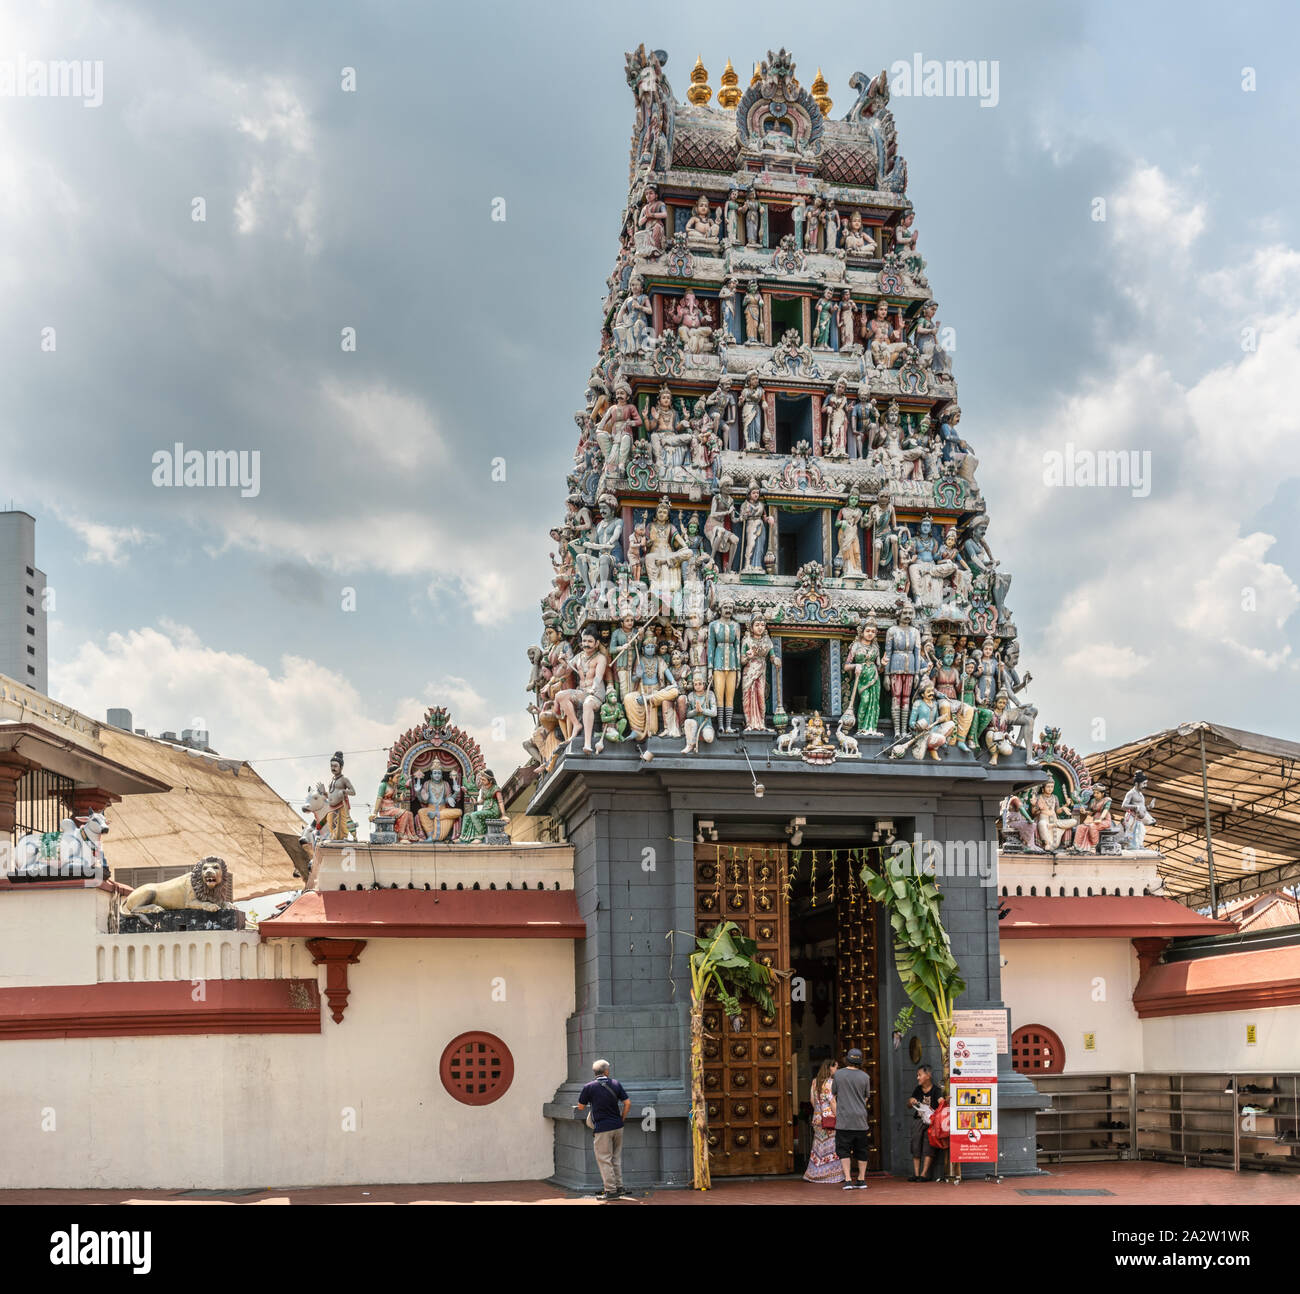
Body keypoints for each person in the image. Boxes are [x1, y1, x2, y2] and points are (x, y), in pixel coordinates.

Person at [576, 1058, 631, 1200]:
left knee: (604, 1159)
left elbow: (581, 1106)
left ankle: (611, 1191)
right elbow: (627, 1103)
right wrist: (622, 1118)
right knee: (616, 1158)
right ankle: (619, 1187)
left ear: (595, 1072)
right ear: (606, 1071)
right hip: (618, 1126)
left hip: (602, 1128)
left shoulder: (589, 1087)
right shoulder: (616, 1084)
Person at [831, 1047, 872, 1190]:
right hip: (860, 1119)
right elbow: (866, 1097)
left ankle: (848, 1179)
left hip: (844, 1120)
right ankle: (861, 1179)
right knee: (862, 1149)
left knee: (844, 1149)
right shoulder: (865, 1077)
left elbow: (834, 1094)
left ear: (846, 1059)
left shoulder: (838, 1075)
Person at [804, 1059, 845, 1184]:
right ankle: (830, 1175)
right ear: (830, 1068)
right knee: (832, 1147)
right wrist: (839, 1115)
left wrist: (818, 1112)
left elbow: (812, 1100)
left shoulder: (815, 1082)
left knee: (818, 1147)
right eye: (836, 1068)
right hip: (829, 1119)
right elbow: (832, 1101)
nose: (837, 1070)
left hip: (817, 1119)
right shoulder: (830, 1083)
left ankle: (814, 1174)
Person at [907, 1064, 945, 1181]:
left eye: (920, 1075)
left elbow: (941, 1101)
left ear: (928, 1076)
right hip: (918, 1120)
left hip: (931, 1122)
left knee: (928, 1147)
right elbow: (909, 1105)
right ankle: (916, 1174)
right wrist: (911, 1101)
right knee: (916, 1145)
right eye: (917, 1075)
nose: (918, 1077)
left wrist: (944, 1100)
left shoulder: (936, 1090)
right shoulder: (918, 1090)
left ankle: (924, 1174)